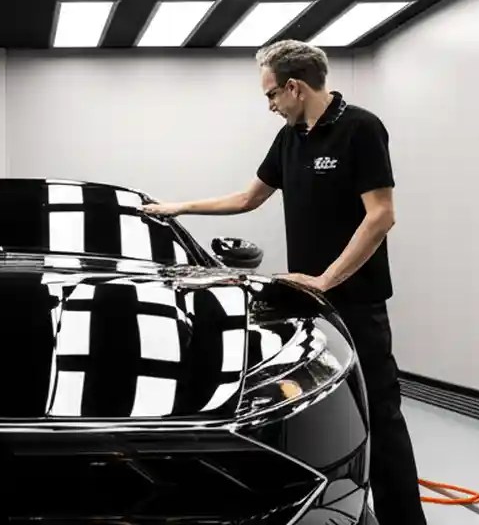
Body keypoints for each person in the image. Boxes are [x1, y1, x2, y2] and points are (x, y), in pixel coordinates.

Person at [142, 39, 427, 525]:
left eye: (271, 95)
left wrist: (327, 279)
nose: (270, 105)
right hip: (307, 298)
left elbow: (381, 216)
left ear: (294, 86)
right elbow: (249, 197)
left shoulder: (361, 128)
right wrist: (179, 207)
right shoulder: (290, 137)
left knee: (380, 412)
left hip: (356, 300)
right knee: (320, 411)